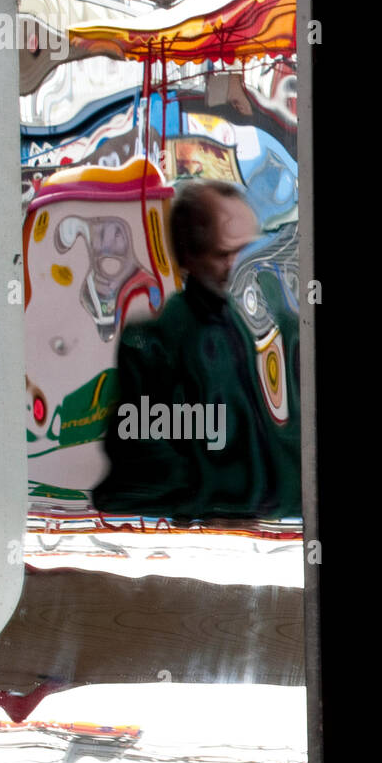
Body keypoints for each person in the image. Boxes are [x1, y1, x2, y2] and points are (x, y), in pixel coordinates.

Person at [91, 179, 301, 522]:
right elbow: (141, 456)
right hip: (215, 533)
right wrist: (209, 507)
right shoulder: (153, 344)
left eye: (247, 249)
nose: (238, 265)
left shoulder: (281, 318)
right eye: (223, 254)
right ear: (188, 255)